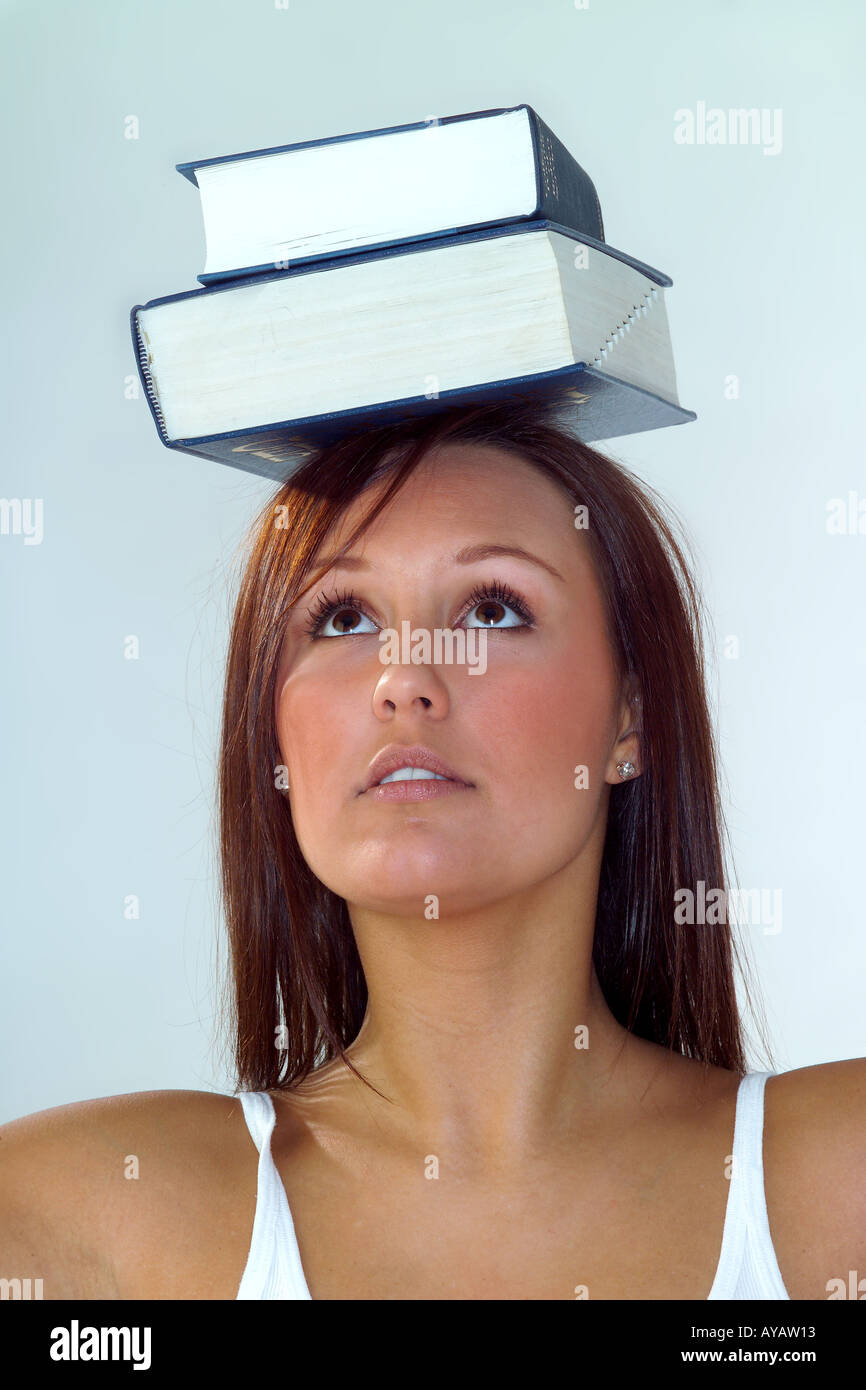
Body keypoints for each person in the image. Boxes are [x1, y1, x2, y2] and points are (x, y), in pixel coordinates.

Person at [1, 401, 863, 1300]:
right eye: (341, 620)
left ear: (629, 717)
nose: (403, 677)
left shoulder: (840, 1191)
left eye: (491, 609)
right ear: (275, 740)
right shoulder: (75, 1225)